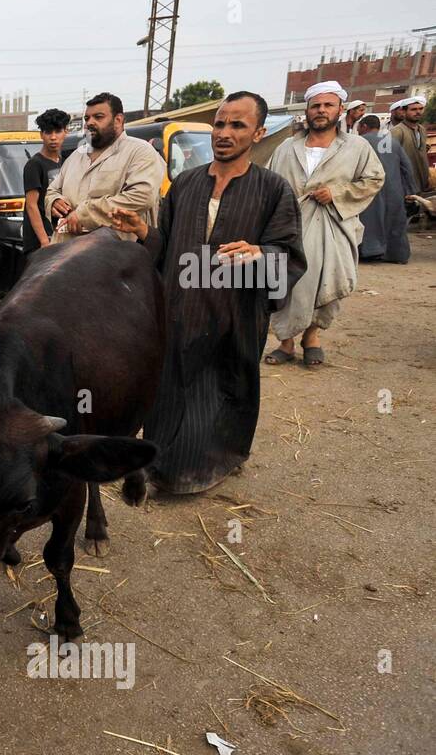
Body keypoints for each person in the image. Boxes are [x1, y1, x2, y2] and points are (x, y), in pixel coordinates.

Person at [112, 91, 305, 494]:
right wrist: (144, 231)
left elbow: (289, 255)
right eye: (220, 123)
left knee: (224, 388)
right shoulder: (185, 183)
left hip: (235, 310)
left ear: (258, 133)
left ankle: (218, 461)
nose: (224, 132)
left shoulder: (273, 190)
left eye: (237, 125)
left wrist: (259, 253)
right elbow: (167, 247)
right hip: (181, 307)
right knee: (169, 387)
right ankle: (162, 467)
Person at [266, 80, 384, 367]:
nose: (321, 110)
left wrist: (337, 194)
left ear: (340, 110)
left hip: (335, 227)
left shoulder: (356, 147)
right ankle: (286, 342)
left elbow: (374, 179)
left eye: (328, 105)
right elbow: (268, 182)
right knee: (287, 283)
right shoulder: (285, 147)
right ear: (307, 110)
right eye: (315, 105)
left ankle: (312, 337)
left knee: (326, 282)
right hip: (290, 227)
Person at [44, 92, 163, 242]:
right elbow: (52, 190)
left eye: (98, 117)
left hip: (113, 256)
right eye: (87, 118)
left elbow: (140, 197)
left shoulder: (140, 151)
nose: (89, 123)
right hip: (67, 252)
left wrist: (84, 214)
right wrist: (55, 201)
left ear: (118, 120)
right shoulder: (77, 155)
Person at [358, 114, 418, 264]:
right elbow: (407, 167)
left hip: (369, 187)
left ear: (364, 126)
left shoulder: (360, 142)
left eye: (359, 127)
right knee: (394, 221)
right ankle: (396, 255)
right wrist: (410, 190)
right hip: (394, 188)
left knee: (370, 221)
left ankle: (370, 252)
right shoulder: (393, 142)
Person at [22, 108, 69, 253]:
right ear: (41, 134)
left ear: (65, 132)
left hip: (59, 235)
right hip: (40, 240)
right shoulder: (34, 164)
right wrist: (44, 241)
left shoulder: (64, 162)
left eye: (58, 131)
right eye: (48, 132)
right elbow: (31, 205)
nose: (53, 137)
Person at [390, 95, 431, 194]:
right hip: (404, 185)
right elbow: (390, 160)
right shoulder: (397, 131)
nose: (418, 112)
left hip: (422, 183)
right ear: (404, 112)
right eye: (413, 109)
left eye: (420, 109)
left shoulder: (422, 130)